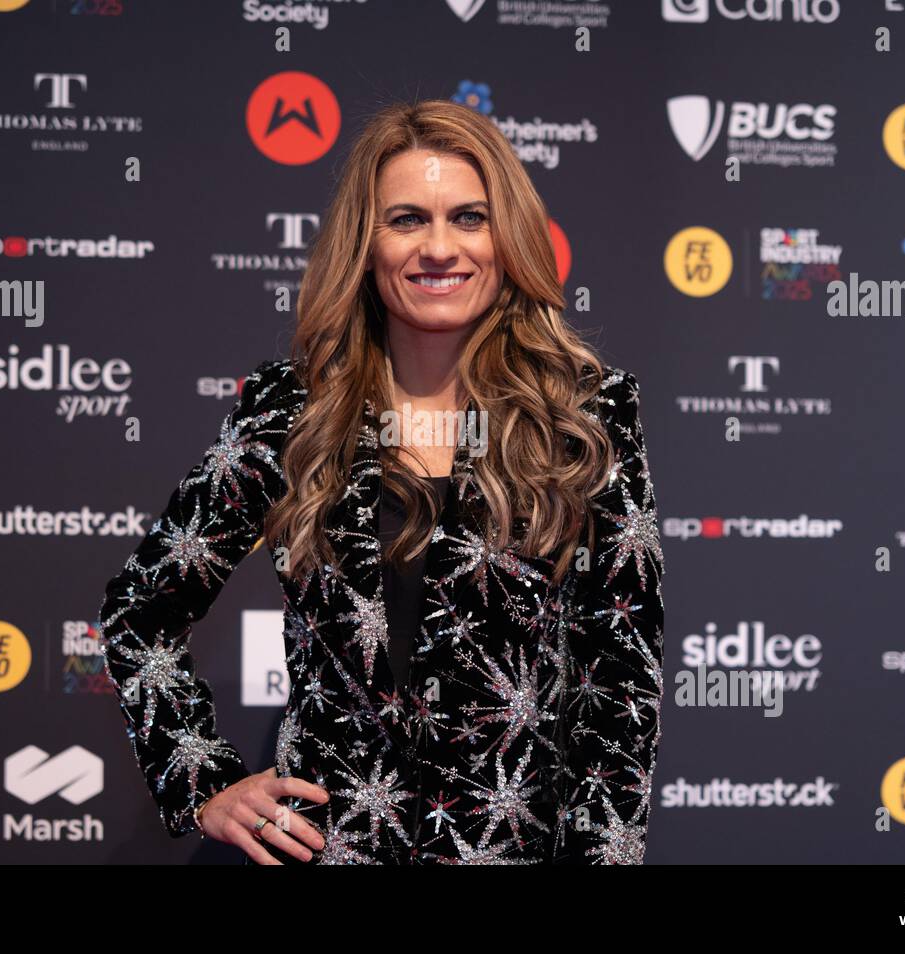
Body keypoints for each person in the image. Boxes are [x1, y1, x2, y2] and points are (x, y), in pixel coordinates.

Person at [96, 99, 665, 864]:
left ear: (510, 237)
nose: (439, 248)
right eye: (406, 219)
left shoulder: (583, 418)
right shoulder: (292, 414)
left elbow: (618, 680)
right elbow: (140, 612)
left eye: (469, 217)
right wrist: (202, 776)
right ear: (364, 244)